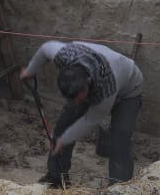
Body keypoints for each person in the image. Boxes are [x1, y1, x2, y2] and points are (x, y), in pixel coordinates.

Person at [19, 40, 143, 188]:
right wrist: (30, 70)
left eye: (79, 98)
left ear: (88, 83)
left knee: (119, 139)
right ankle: (56, 178)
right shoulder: (65, 56)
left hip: (129, 90)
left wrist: (64, 140)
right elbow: (46, 48)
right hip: (91, 82)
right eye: (73, 98)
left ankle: (120, 188)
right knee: (62, 128)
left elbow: (90, 120)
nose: (77, 102)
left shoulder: (106, 87)